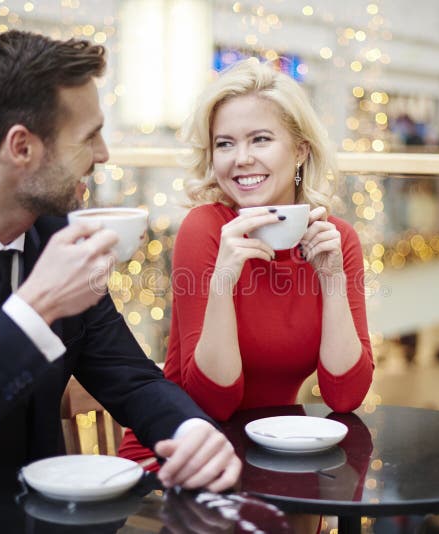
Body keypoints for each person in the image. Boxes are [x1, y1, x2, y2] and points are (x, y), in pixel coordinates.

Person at [0, 30, 240, 498]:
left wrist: (192, 432)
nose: (103, 155)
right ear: (21, 147)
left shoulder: (55, 235)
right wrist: (32, 311)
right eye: (88, 137)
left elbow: (130, 380)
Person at [119, 58, 373, 464]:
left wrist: (332, 280)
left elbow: (345, 397)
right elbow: (214, 403)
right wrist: (224, 279)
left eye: (260, 139)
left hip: (275, 455)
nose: (241, 159)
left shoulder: (335, 240)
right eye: (225, 143)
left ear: (300, 150)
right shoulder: (204, 229)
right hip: (180, 455)